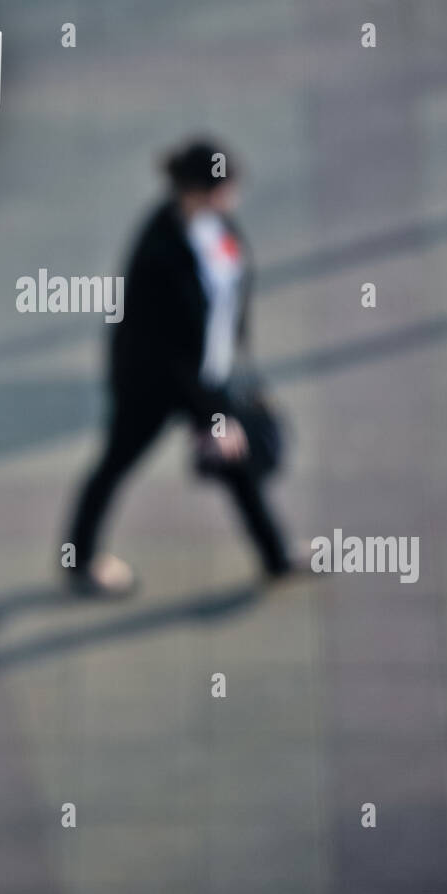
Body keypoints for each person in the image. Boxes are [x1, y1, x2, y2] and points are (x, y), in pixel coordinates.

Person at [65, 139, 298, 597]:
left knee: (237, 464)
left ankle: (276, 557)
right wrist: (215, 414)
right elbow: (166, 350)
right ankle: (81, 558)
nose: (234, 196)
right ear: (198, 190)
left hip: (206, 376)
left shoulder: (215, 224)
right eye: (226, 187)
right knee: (115, 464)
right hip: (154, 387)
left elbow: (231, 287)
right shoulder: (160, 250)